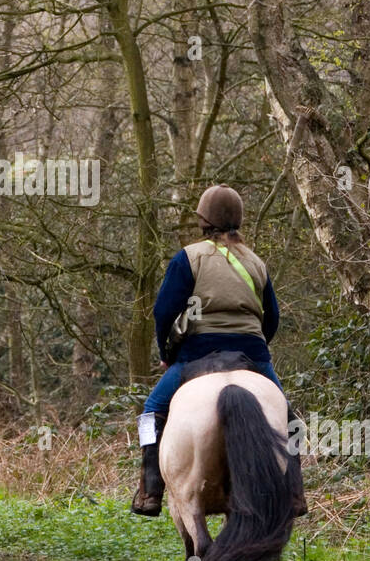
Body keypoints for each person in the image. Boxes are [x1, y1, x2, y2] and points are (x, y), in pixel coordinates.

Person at [130, 183, 307, 518]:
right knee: (291, 419)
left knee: (151, 409)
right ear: (238, 220)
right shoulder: (256, 262)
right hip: (251, 354)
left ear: (203, 221)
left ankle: (150, 489)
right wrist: (254, 344)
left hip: (198, 351)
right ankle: (295, 493)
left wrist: (166, 350)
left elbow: (164, 311)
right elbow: (273, 317)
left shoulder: (189, 257)